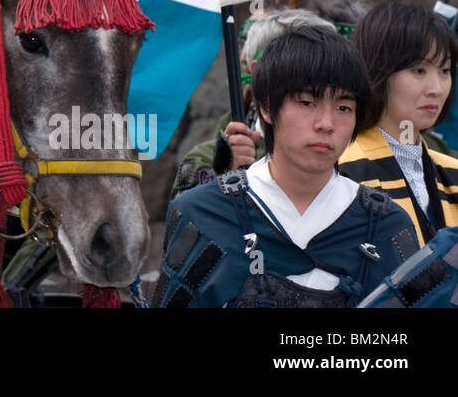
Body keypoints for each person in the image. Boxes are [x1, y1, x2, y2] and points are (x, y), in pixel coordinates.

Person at [153, 25, 418, 307]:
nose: (326, 124)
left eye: (344, 108)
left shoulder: (387, 226)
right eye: (307, 102)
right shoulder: (203, 215)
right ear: (266, 107)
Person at [169, 8, 339, 198]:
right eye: (303, 63)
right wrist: (224, 176)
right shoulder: (208, 159)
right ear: (258, 71)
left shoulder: (347, 144)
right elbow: (184, 215)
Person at [338, 2, 458, 245]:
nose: (436, 89)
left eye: (444, 70)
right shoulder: (340, 172)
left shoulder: (453, 172)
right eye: (419, 70)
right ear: (375, 70)